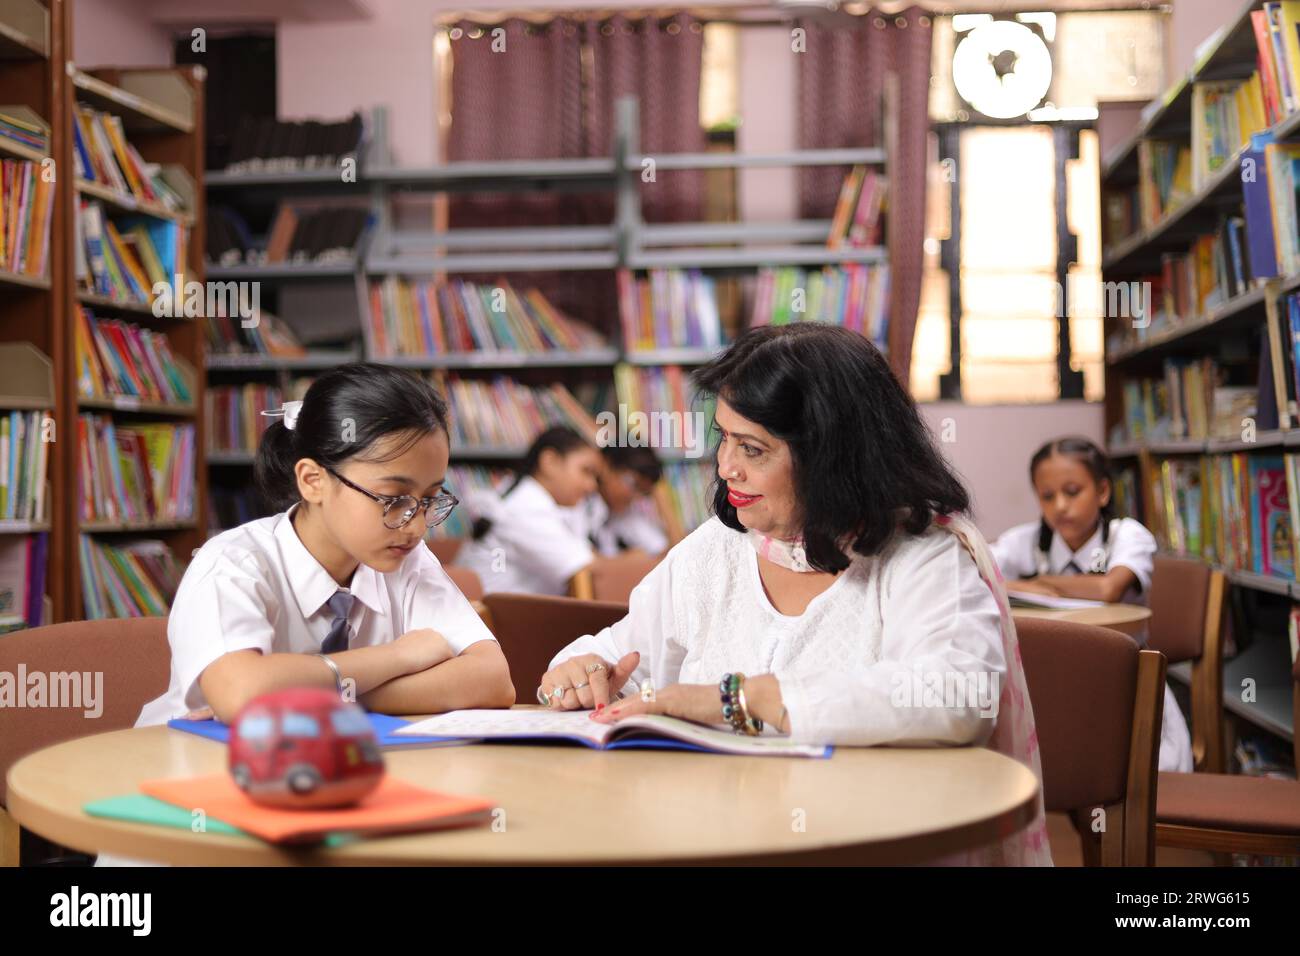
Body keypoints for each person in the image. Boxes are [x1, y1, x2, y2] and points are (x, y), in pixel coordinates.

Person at [539, 324, 1052, 866]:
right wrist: (581, 668)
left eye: (753, 449)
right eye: (725, 438)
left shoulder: (921, 557)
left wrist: (743, 699)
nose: (725, 467)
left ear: (832, 457)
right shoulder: (716, 549)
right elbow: (630, 656)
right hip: (716, 840)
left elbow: (958, 695)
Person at [990, 436, 1193, 772]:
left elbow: (1109, 587)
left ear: (1102, 492)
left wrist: (1043, 584)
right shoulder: (1025, 540)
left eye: (1072, 492)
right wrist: (1031, 586)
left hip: (1124, 686)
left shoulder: (1127, 535)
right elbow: (973, 567)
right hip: (1052, 687)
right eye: (1047, 496)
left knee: (1130, 772)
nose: (1060, 506)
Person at [456, 426, 604, 595]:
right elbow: (584, 567)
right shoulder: (524, 510)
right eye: (586, 471)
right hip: (493, 619)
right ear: (550, 462)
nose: (591, 486)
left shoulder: (520, 496)